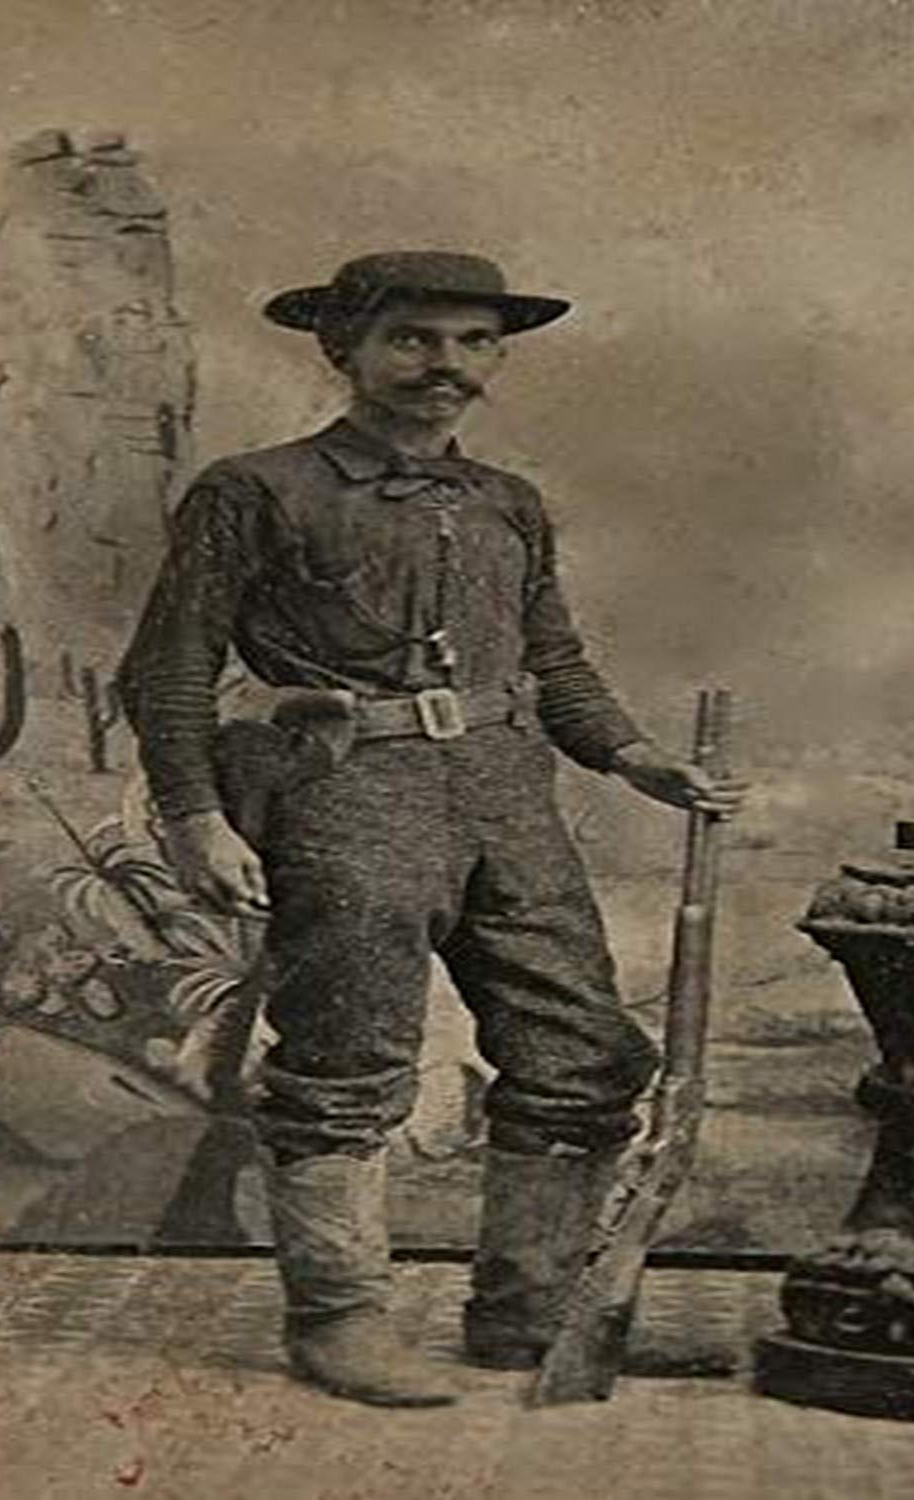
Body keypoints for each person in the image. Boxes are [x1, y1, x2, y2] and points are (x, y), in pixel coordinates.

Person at [117, 251, 746, 1407]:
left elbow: (555, 663)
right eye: (412, 338)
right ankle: (341, 1320)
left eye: (473, 342)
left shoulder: (507, 502)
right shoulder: (254, 490)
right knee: (349, 1057)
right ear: (342, 349)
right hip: (347, 795)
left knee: (578, 1051)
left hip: (509, 795)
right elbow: (167, 673)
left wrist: (635, 757)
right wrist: (196, 817)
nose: (444, 366)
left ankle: (533, 1312)